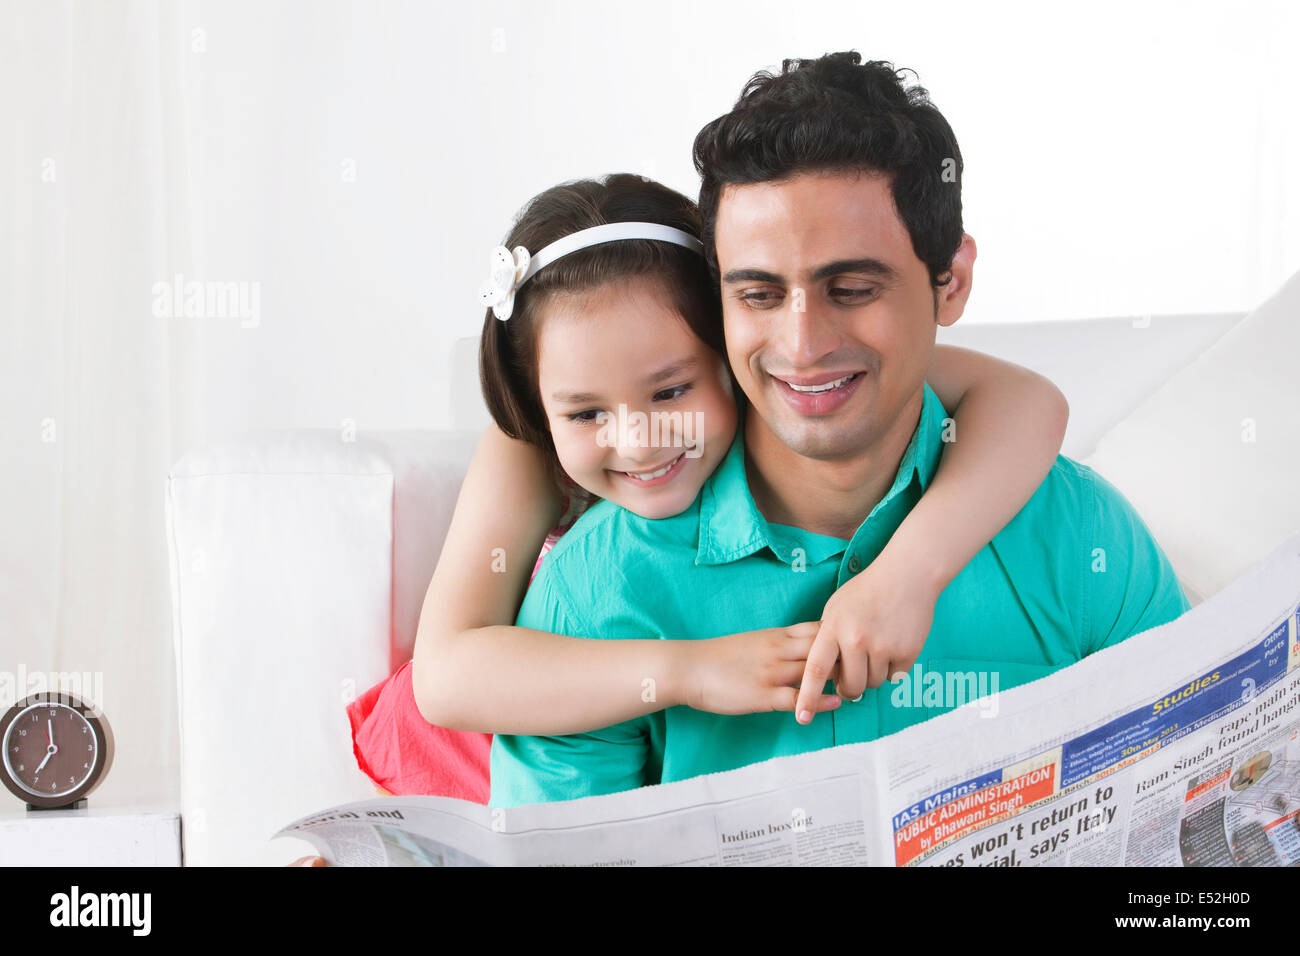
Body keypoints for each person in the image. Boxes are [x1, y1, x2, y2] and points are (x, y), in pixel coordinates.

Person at [487, 52, 1190, 808]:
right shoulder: (595, 597)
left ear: (950, 282)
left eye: (851, 289)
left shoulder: (1077, 534)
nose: (802, 345)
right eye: (758, 294)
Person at [343, 168, 1071, 804]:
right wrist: (692, 673)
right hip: (495, 734)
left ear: (729, 340)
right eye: (588, 411)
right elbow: (446, 679)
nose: (638, 440)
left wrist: (905, 578)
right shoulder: (529, 447)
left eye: (669, 393)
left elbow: (1031, 404)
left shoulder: (801, 378)